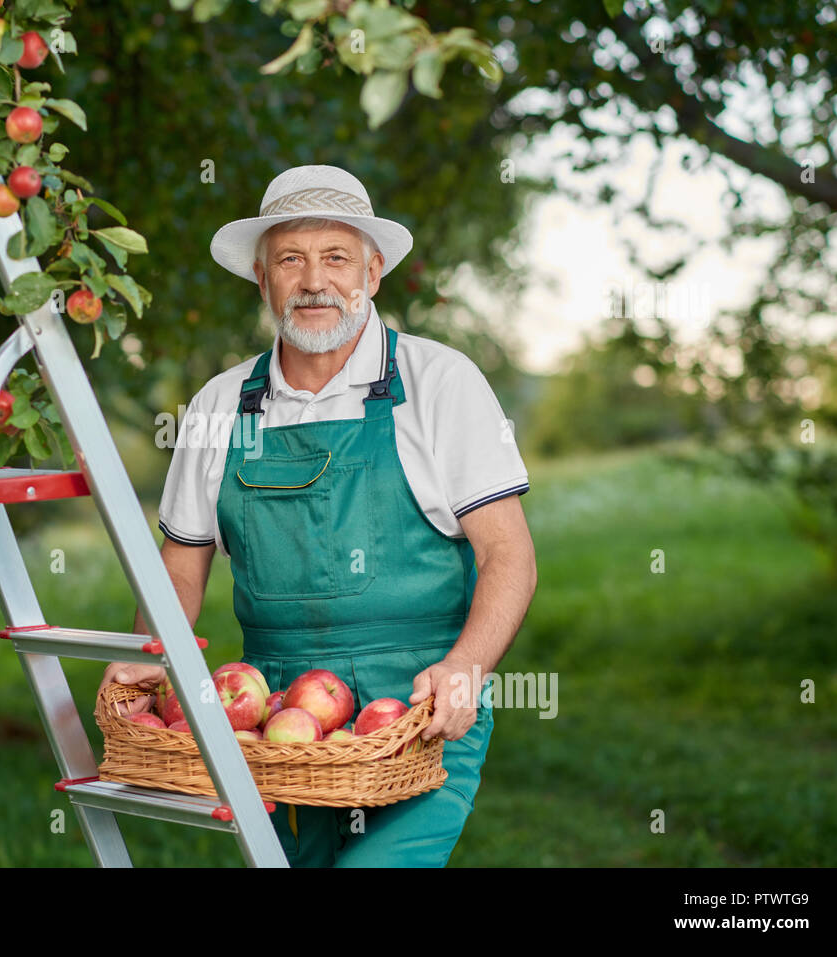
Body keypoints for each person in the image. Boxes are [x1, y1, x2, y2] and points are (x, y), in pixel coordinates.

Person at [100, 164, 537, 867]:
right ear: (261, 275)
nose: (313, 281)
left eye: (336, 258)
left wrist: (466, 667)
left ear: (373, 270)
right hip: (272, 718)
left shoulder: (437, 383)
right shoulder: (220, 407)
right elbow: (179, 574)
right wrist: (146, 663)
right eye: (291, 260)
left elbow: (508, 554)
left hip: (416, 713)